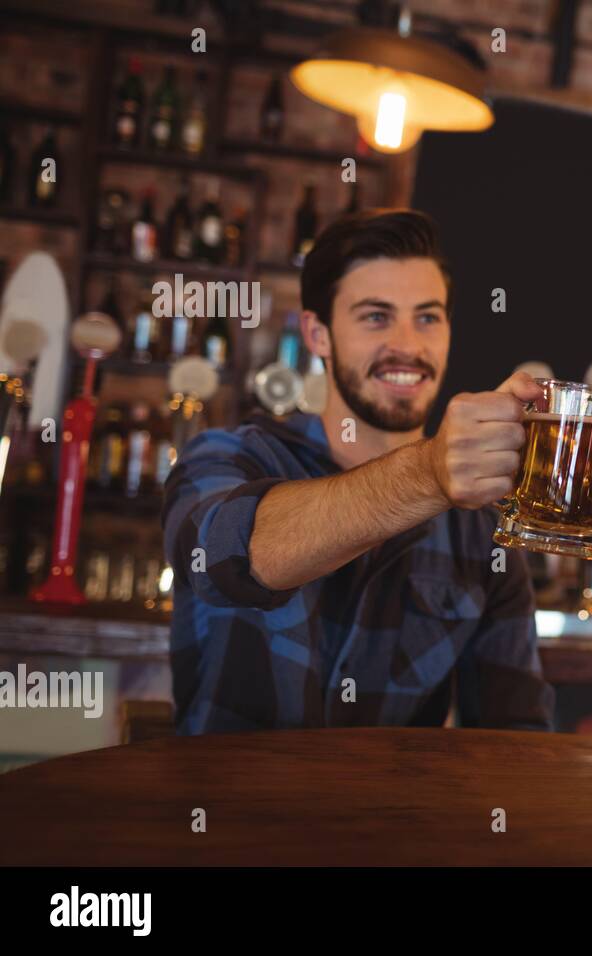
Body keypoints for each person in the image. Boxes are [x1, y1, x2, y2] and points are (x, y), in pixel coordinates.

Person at [163, 209, 554, 735]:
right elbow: (225, 558)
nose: (408, 346)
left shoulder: (483, 531)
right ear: (317, 333)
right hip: (226, 814)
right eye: (376, 316)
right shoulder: (229, 457)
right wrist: (428, 475)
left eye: (428, 316)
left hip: (394, 817)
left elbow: (515, 737)